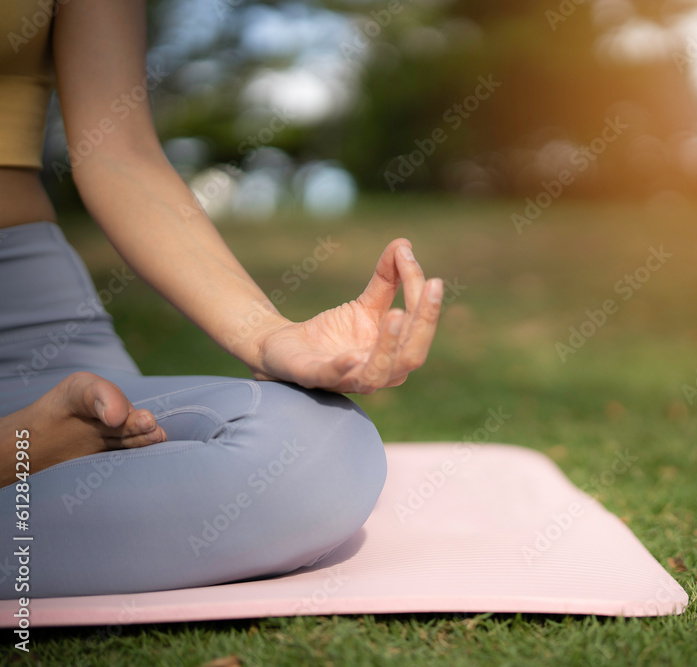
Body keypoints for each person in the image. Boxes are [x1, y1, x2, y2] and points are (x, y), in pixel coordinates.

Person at [0, 0, 443, 598]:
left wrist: (268, 333)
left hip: (39, 324)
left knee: (318, 448)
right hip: (32, 428)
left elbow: (117, 150)